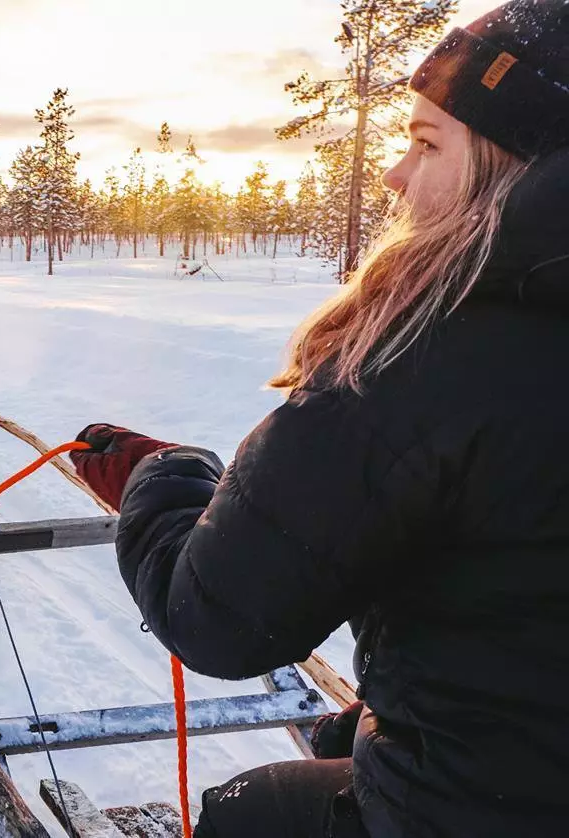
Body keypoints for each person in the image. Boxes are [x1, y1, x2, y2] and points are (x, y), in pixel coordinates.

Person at [69, 2, 569, 835]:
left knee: (243, 813)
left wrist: (161, 477)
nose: (394, 176)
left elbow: (219, 619)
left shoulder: (417, 356)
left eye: (427, 143)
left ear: (513, 167)